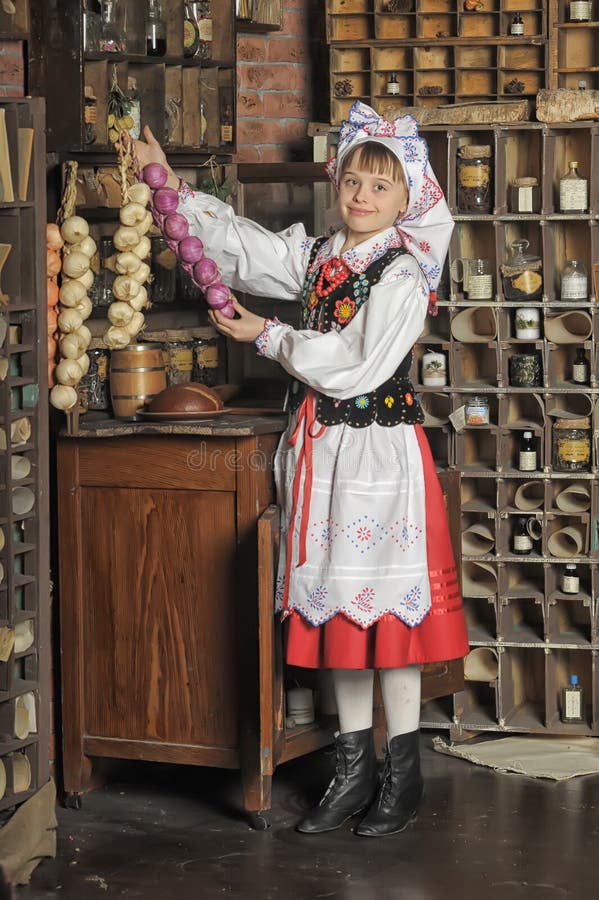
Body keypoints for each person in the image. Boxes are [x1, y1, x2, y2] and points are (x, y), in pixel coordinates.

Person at [134, 100, 469, 837]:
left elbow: (355, 366)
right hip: (321, 448)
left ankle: (400, 777)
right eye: (352, 180)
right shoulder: (322, 255)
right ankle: (351, 775)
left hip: (378, 455)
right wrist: (165, 184)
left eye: (379, 187)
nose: (360, 196)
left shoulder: (402, 273)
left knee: (383, 613)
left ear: (406, 198)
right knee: (336, 611)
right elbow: (247, 249)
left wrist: (267, 334)